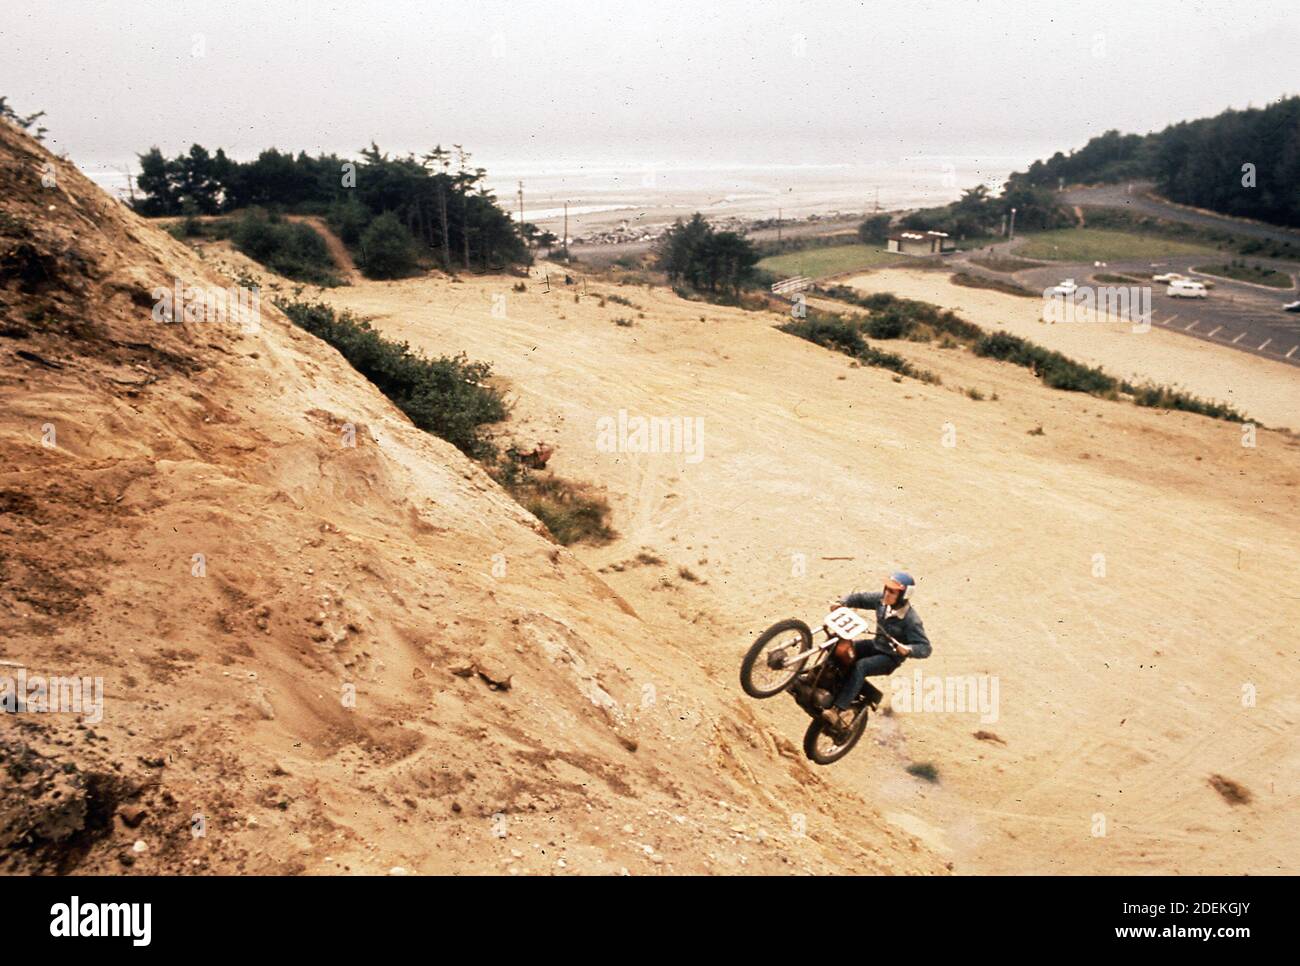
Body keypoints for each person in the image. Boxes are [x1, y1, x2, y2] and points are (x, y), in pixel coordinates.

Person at [822, 572, 931, 730]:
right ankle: (819, 678)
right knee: (840, 648)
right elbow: (859, 598)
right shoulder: (881, 601)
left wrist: (908, 649)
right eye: (886, 588)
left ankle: (837, 709)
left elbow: (925, 647)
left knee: (861, 666)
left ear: (903, 595)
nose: (887, 593)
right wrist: (842, 602)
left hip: (890, 658)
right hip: (875, 645)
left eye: (892, 591)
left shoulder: (911, 620)